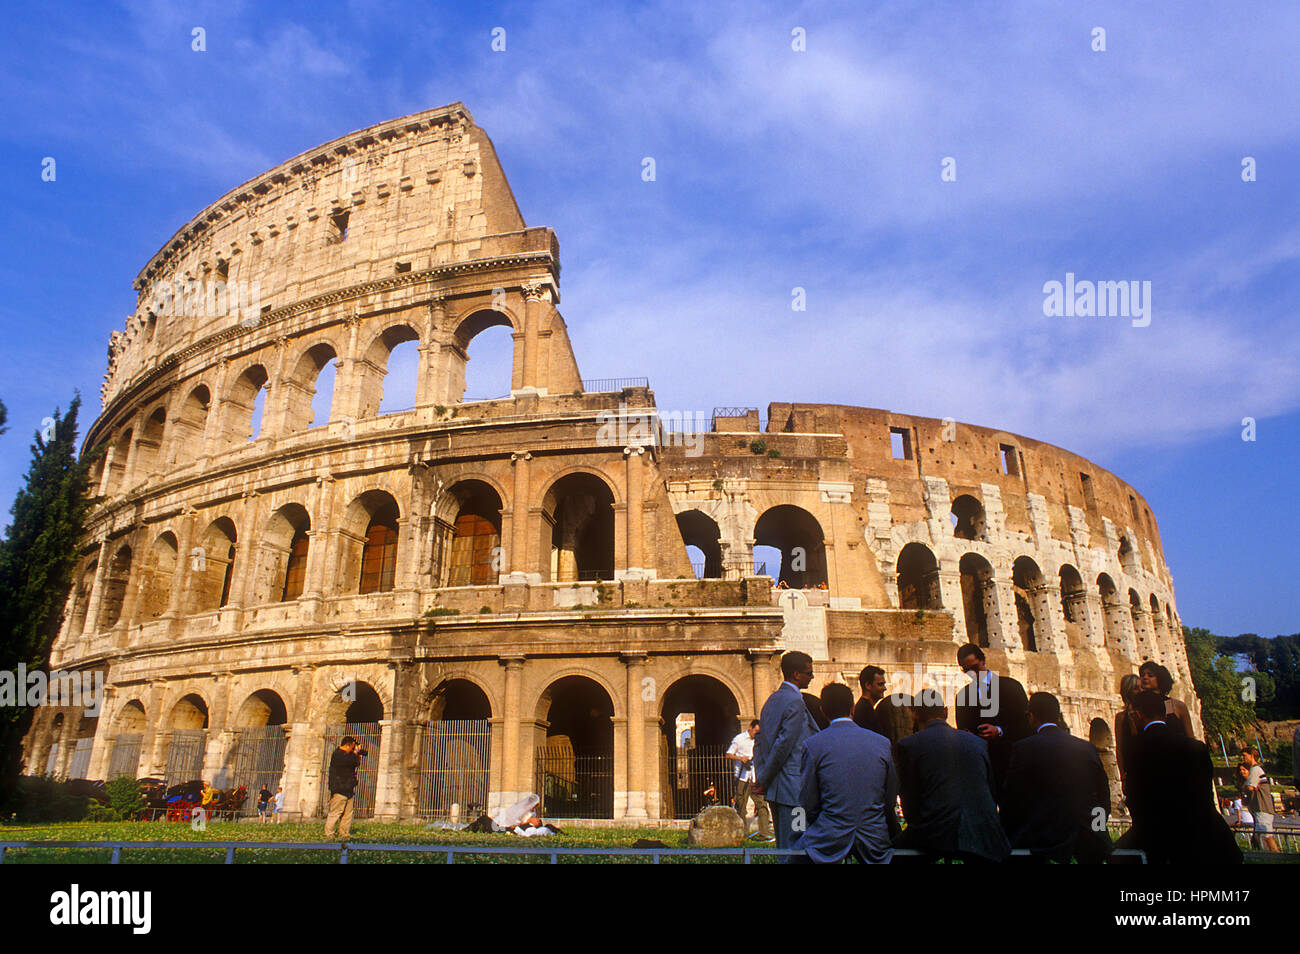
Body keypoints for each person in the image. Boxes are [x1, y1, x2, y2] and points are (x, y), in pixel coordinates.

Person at [1123, 690, 1240, 864]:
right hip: (1210, 836)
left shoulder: (1137, 751)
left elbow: (1136, 801)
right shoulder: (1196, 747)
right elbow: (1205, 794)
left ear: (1138, 715)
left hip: (1165, 838)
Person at [893, 689, 1010, 863]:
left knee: (892, 856)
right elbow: (991, 789)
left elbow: (910, 797)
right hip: (982, 829)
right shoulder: (977, 743)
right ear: (946, 711)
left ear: (915, 714)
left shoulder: (909, 745)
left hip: (934, 829)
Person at [999, 691, 1112, 863]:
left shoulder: (1023, 748)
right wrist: (1097, 826)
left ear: (1031, 716)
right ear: (1059, 716)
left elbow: (1012, 797)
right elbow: (1103, 794)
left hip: (1040, 836)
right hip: (1083, 835)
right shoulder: (1085, 748)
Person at [794, 683, 897, 864]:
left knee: (794, 853)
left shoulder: (813, 744)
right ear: (853, 707)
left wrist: (814, 820)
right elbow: (889, 795)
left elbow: (807, 799)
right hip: (874, 833)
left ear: (822, 711)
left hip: (830, 833)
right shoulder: (881, 743)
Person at [754, 651, 818, 854]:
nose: (812, 676)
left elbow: (760, 743)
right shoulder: (795, 702)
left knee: (784, 845)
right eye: (809, 673)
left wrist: (763, 776)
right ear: (796, 674)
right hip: (794, 790)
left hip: (777, 789)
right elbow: (783, 745)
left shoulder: (771, 701)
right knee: (797, 844)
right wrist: (764, 778)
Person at [953, 644, 1030, 789]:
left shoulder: (1011, 687)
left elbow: (1026, 725)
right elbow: (962, 729)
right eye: (967, 671)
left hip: (1011, 763)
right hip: (982, 765)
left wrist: (999, 731)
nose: (972, 674)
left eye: (974, 668)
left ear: (983, 661)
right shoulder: (963, 695)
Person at [726, 720, 773, 841]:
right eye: (756, 731)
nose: (757, 733)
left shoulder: (760, 740)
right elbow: (729, 754)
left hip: (755, 776)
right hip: (743, 776)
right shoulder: (739, 739)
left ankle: (764, 833)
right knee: (741, 805)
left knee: (762, 804)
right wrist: (741, 758)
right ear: (750, 728)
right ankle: (742, 833)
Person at [1138, 661, 1194, 737]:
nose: (1145, 677)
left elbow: (1190, 737)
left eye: (1150, 675)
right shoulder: (1137, 705)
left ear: (1160, 679)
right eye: (1142, 675)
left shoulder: (1174, 705)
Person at [323, 736, 363, 840]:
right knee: (336, 813)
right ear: (347, 745)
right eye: (352, 747)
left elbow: (355, 763)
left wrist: (357, 755)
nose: (353, 750)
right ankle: (329, 834)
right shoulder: (338, 754)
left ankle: (344, 833)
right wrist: (356, 753)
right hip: (340, 788)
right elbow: (349, 762)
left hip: (348, 788)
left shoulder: (349, 756)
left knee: (348, 814)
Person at [1240, 747, 1279, 852]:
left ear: (1252, 755)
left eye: (1244, 755)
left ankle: (1276, 855)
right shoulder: (1255, 770)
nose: (1243, 758)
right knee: (1262, 836)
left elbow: (1249, 787)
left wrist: (1246, 786)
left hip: (1262, 807)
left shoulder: (1255, 770)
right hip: (1259, 808)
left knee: (1267, 836)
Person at [1113, 673, 1142, 796]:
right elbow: (1119, 749)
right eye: (1136, 688)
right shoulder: (1121, 717)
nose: (1140, 691)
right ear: (1128, 692)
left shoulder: (1151, 713)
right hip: (1133, 767)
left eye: (1141, 687)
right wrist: (1123, 777)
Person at [852, 666, 889, 738]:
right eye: (880, 684)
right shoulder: (863, 711)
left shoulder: (865, 708)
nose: (884, 688)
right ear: (868, 685)